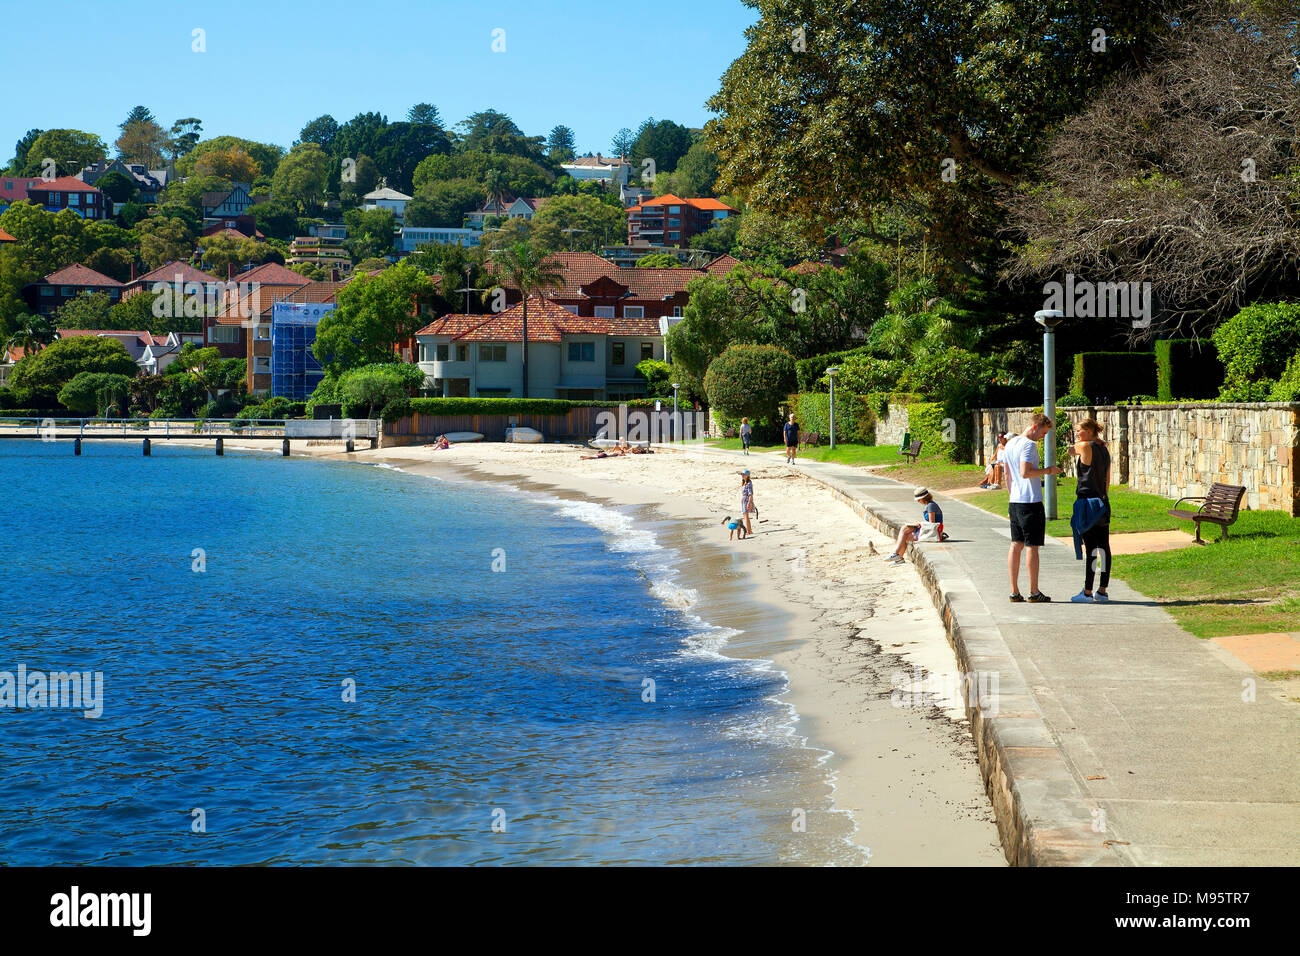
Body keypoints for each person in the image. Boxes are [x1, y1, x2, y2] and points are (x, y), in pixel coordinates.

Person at [1004, 413, 1063, 603]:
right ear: (1036, 427)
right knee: (1032, 546)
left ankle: (1014, 591)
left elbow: (1008, 474)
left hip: (1015, 501)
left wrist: (1012, 495)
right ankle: (1034, 591)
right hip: (1030, 501)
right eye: (1044, 433)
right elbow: (1025, 472)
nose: (1043, 437)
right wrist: (1048, 470)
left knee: (1016, 544)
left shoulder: (1010, 443)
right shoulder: (1028, 445)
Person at [1069, 418, 1112, 603]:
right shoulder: (1104, 449)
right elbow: (1107, 480)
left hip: (1087, 503)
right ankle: (1102, 591)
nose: (1077, 433)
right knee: (1104, 547)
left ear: (1088, 430)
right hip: (1102, 502)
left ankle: (1087, 592)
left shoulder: (1085, 446)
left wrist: (1086, 442)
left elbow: (1071, 450)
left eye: (1079, 430)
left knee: (1092, 549)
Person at [884, 488, 944, 564]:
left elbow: (932, 524)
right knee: (904, 533)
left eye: (919, 499)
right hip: (931, 531)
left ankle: (896, 555)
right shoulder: (930, 504)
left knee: (904, 531)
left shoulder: (931, 506)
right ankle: (898, 557)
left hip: (933, 533)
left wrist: (919, 524)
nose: (918, 501)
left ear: (924, 498)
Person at [740, 470, 757, 534]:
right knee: (745, 515)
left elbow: (750, 494)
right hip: (744, 500)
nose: (742, 475)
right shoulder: (744, 483)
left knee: (746, 516)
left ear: (747, 475)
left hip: (747, 500)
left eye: (744, 474)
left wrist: (749, 503)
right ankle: (749, 530)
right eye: (742, 474)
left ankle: (749, 531)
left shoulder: (749, 483)